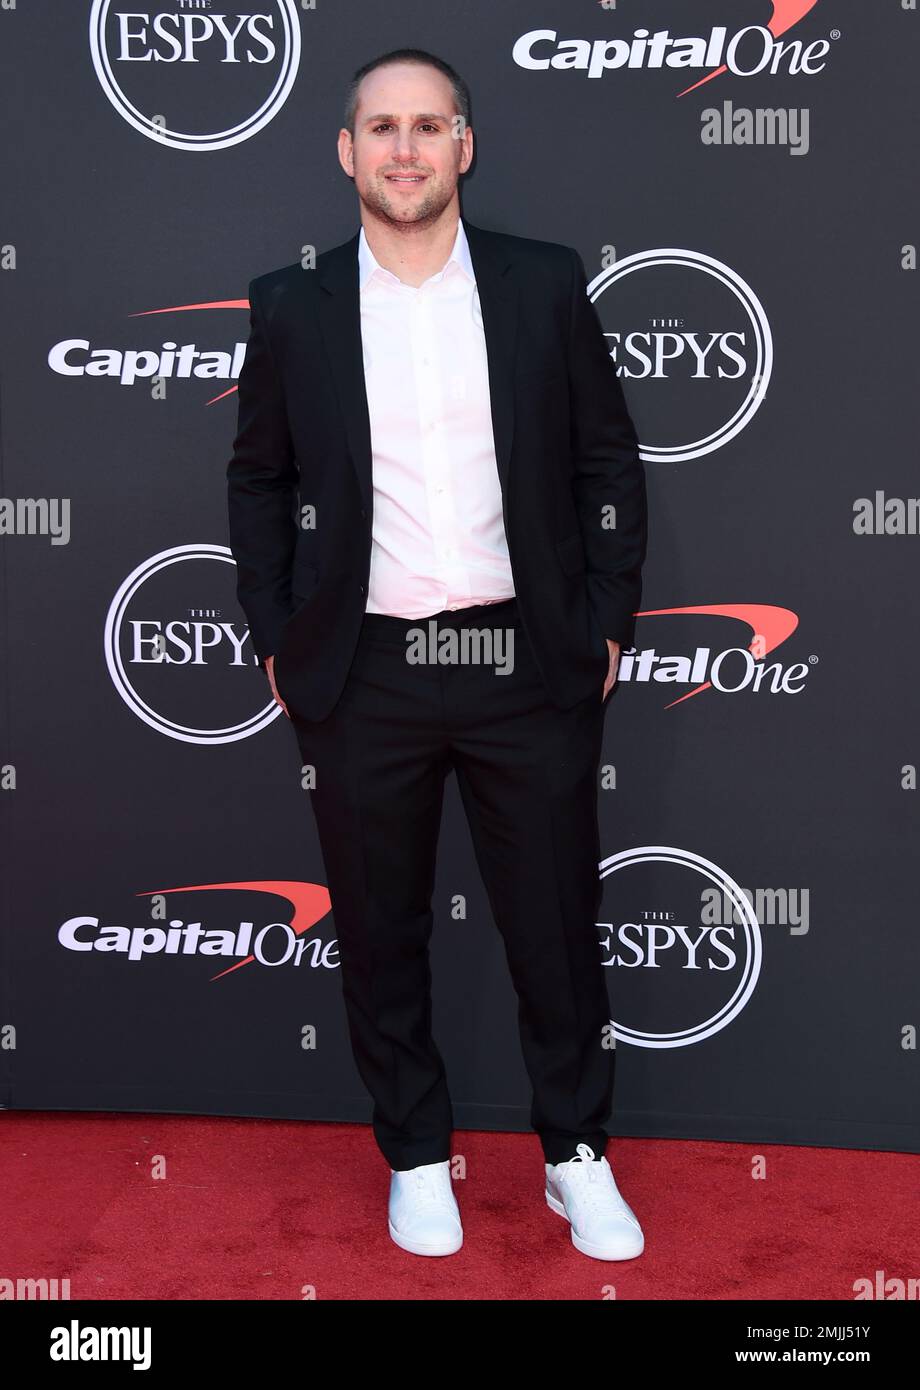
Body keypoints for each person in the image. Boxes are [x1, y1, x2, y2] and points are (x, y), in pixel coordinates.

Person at [227, 48, 648, 1262]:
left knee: (555, 927)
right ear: (345, 152)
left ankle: (575, 1157)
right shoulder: (290, 302)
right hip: (364, 674)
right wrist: (275, 629)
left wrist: (606, 617)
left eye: (428, 125)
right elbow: (258, 479)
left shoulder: (540, 284)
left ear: (462, 145)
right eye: (380, 127)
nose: (403, 147)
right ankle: (417, 1156)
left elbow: (605, 463)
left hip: (528, 662)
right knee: (378, 927)